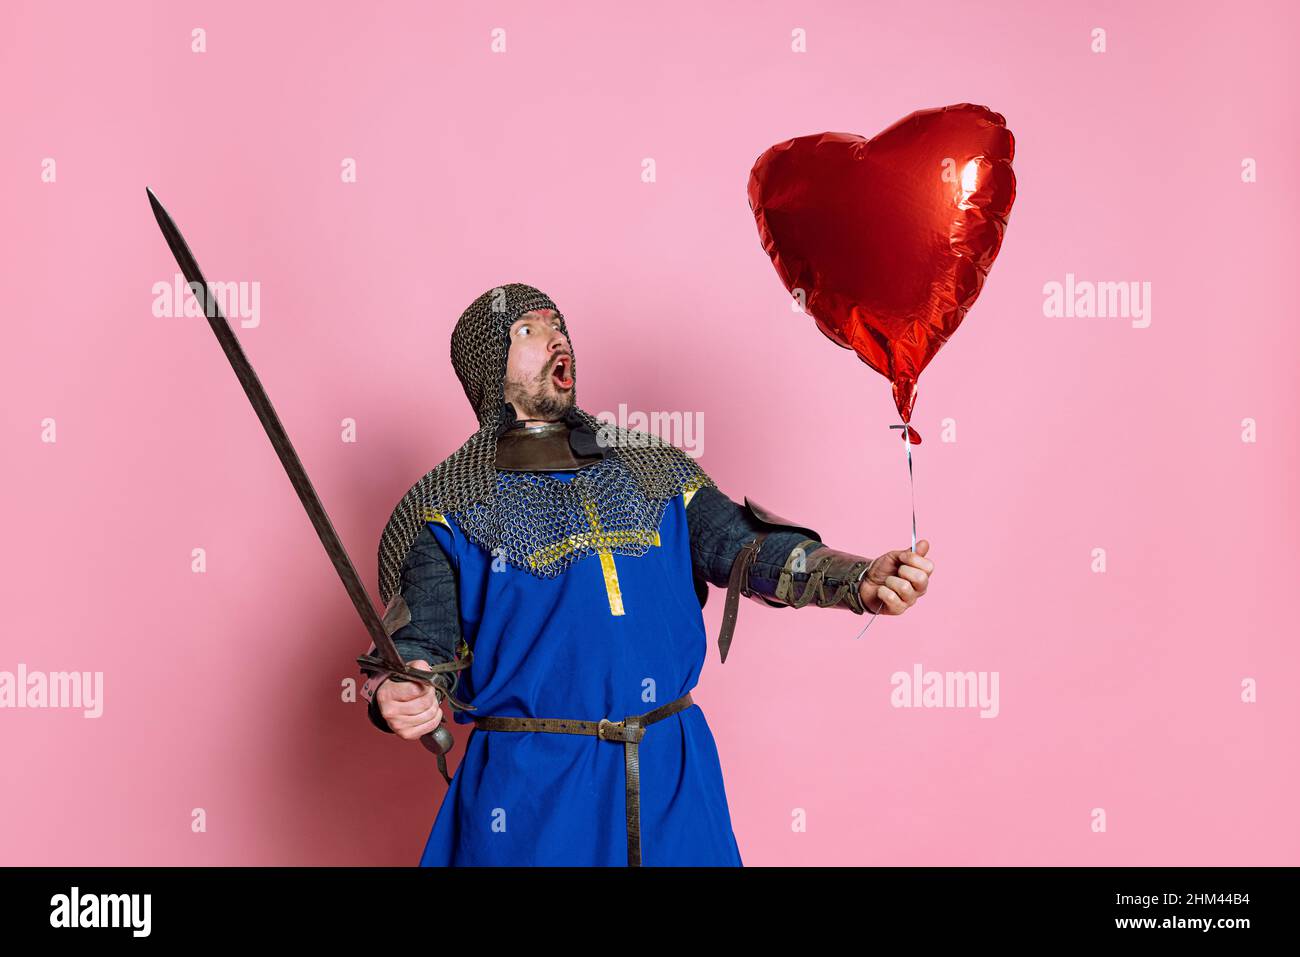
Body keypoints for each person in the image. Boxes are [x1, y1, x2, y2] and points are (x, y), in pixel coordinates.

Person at [360, 283, 934, 866]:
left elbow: (743, 548)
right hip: (531, 792)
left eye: (558, 324)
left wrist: (856, 579)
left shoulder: (651, 466)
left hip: (670, 773)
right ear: (489, 368)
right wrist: (401, 689)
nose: (557, 336)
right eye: (528, 331)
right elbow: (417, 643)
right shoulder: (446, 504)